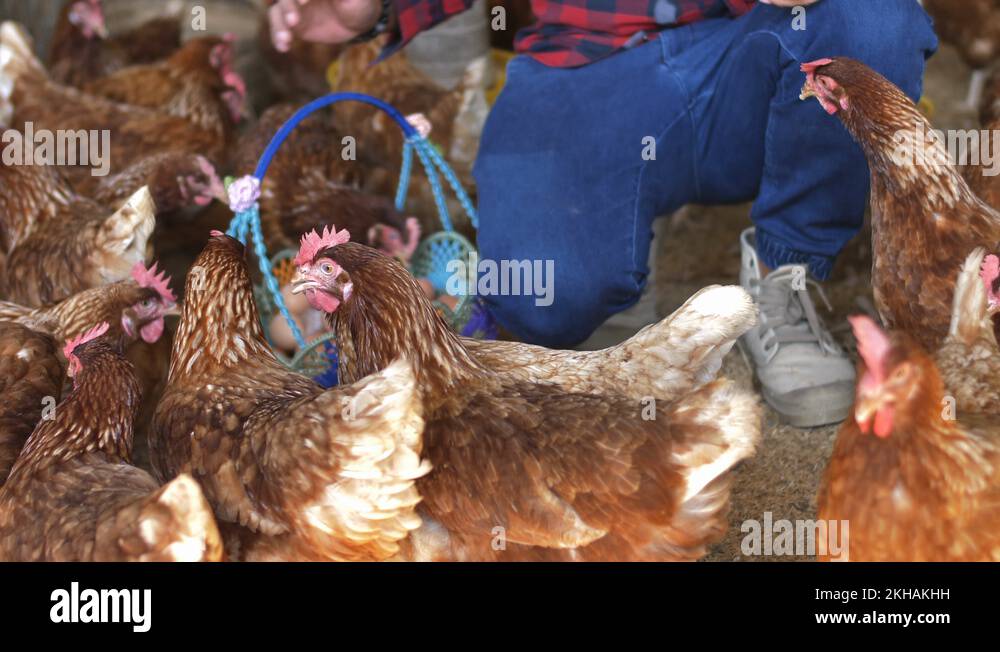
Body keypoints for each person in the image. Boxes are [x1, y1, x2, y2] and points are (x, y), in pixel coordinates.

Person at [268, 0, 939, 427]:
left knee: (873, 19)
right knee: (540, 298)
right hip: (580, 66)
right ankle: (604, 255)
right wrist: (377, 7)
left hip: (747, 50)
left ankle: (783, 271)